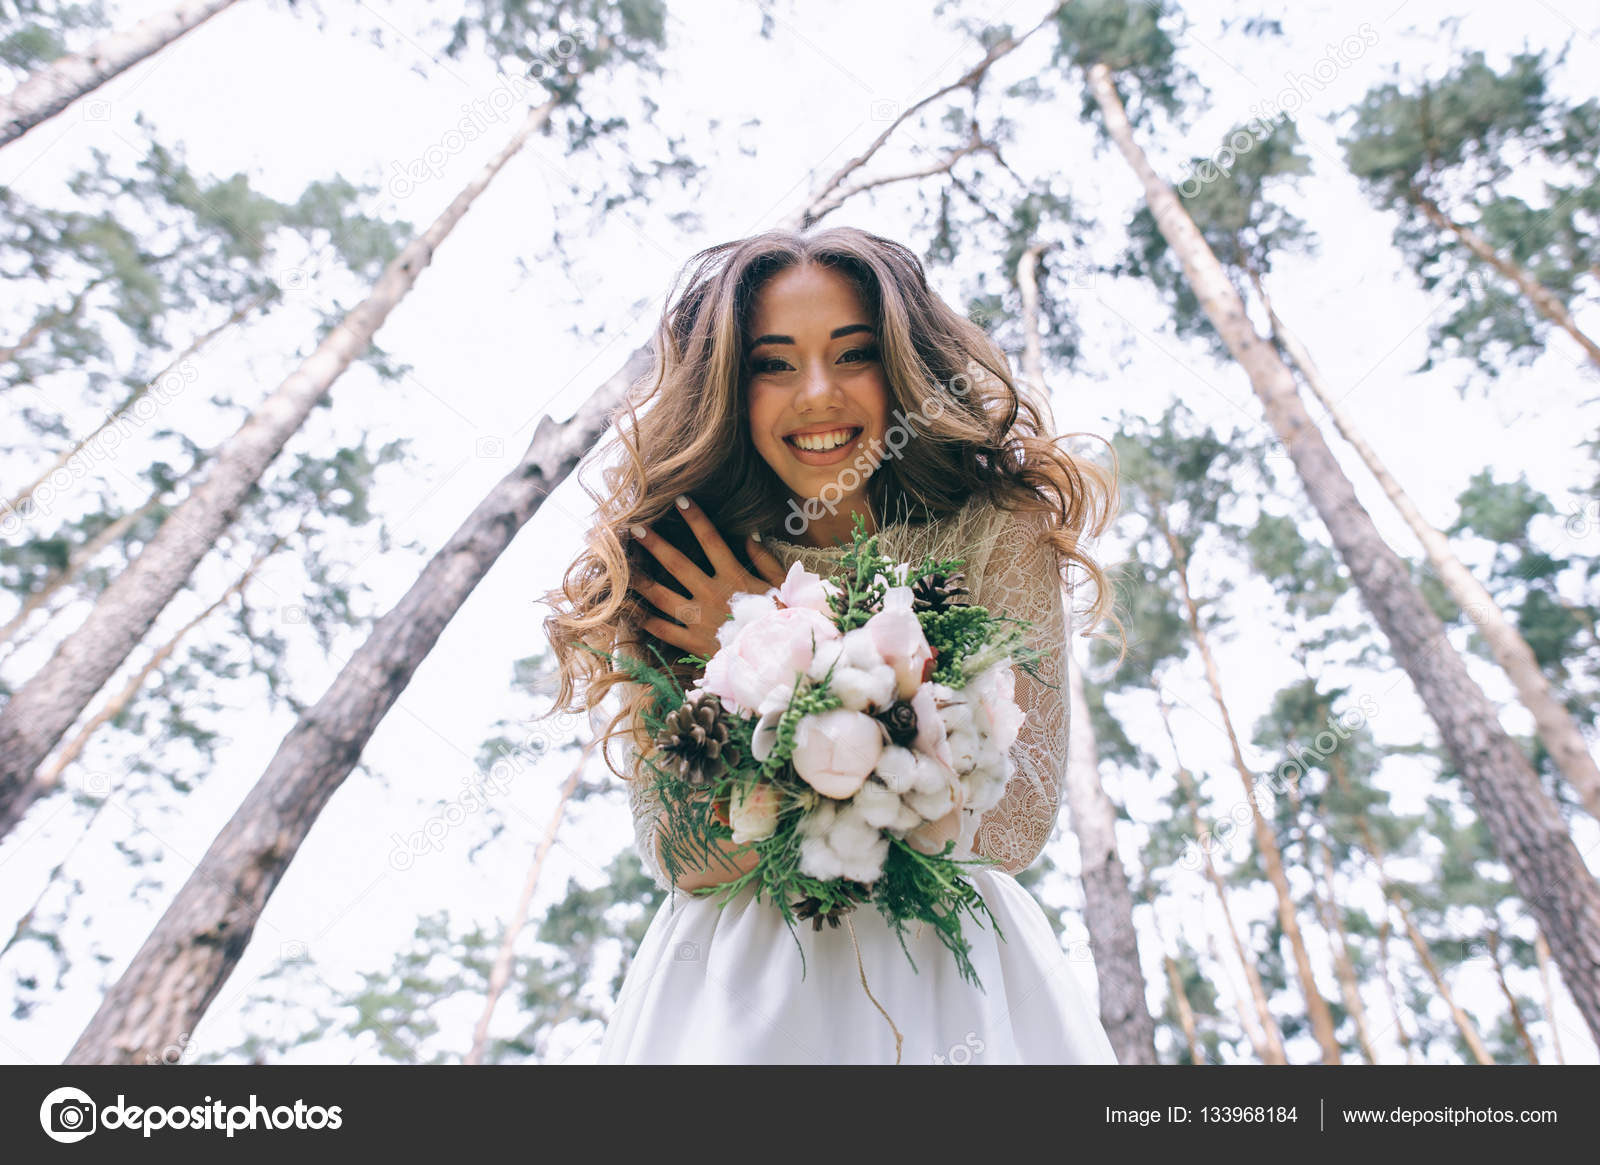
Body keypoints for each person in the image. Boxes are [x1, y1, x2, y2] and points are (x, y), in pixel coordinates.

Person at [542, 225, 1122, 1064]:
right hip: (737, 991)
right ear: (730, 389)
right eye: (773, 364)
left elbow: (1015, 820)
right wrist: (884, 755)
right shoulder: (679, 554)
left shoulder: (998, 529)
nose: (817, 393)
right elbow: (683, 850)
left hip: (949, 975)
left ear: (902, 367)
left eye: (852, 355)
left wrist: (750, 643)